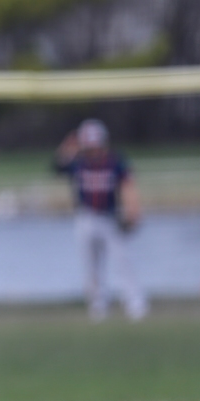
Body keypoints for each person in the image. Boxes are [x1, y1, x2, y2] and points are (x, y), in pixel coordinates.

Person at [54, 118, 147, 321]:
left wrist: (133, 210)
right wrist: (67, 146)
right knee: (91, 265)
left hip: (110, 217)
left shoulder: (115, 161)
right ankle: (98, 305)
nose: (93, 151)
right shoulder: (78, 163)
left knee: (122, 261)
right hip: (85, 217)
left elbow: (128, 185)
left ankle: (135, 303)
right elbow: (56, 167)